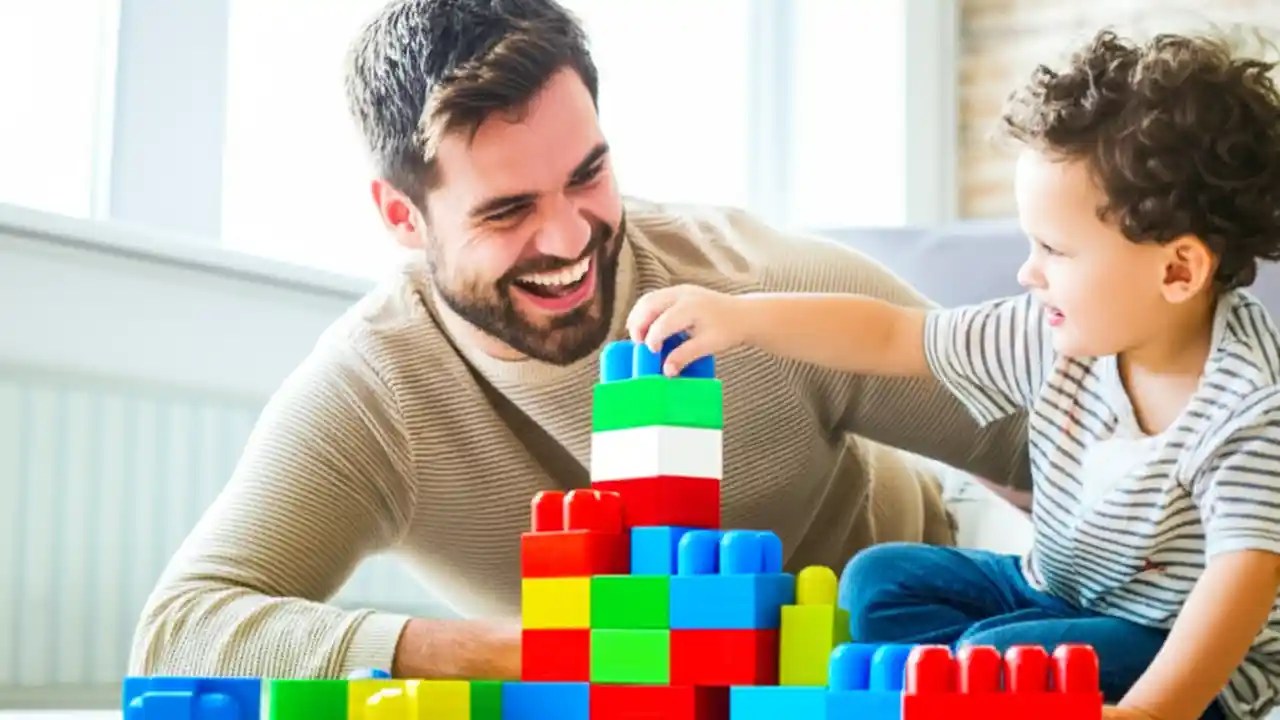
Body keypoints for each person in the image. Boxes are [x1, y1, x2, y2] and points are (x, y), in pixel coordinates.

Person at [126, 0, 1030, 683]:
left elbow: (1057, 440)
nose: (568, 239)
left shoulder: (754, 286)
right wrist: (523, 655)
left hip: (922, 617)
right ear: (402, 216)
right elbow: (180, 630)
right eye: (508, 210)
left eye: (589, 175)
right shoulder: (377, 392)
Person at [628, 29, 1280, 720]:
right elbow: (893, 336)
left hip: (1183, 655)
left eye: (1054, 250)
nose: (1028, 273)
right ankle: (969, 687)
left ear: (1177, 270)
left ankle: (987, 682)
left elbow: (1241, 579)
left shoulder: (1248, 412)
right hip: (1053, 591)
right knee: (879, 581)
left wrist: (1152, 712)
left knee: (995, 656)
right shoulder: (1050, 332)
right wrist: (742, 317)